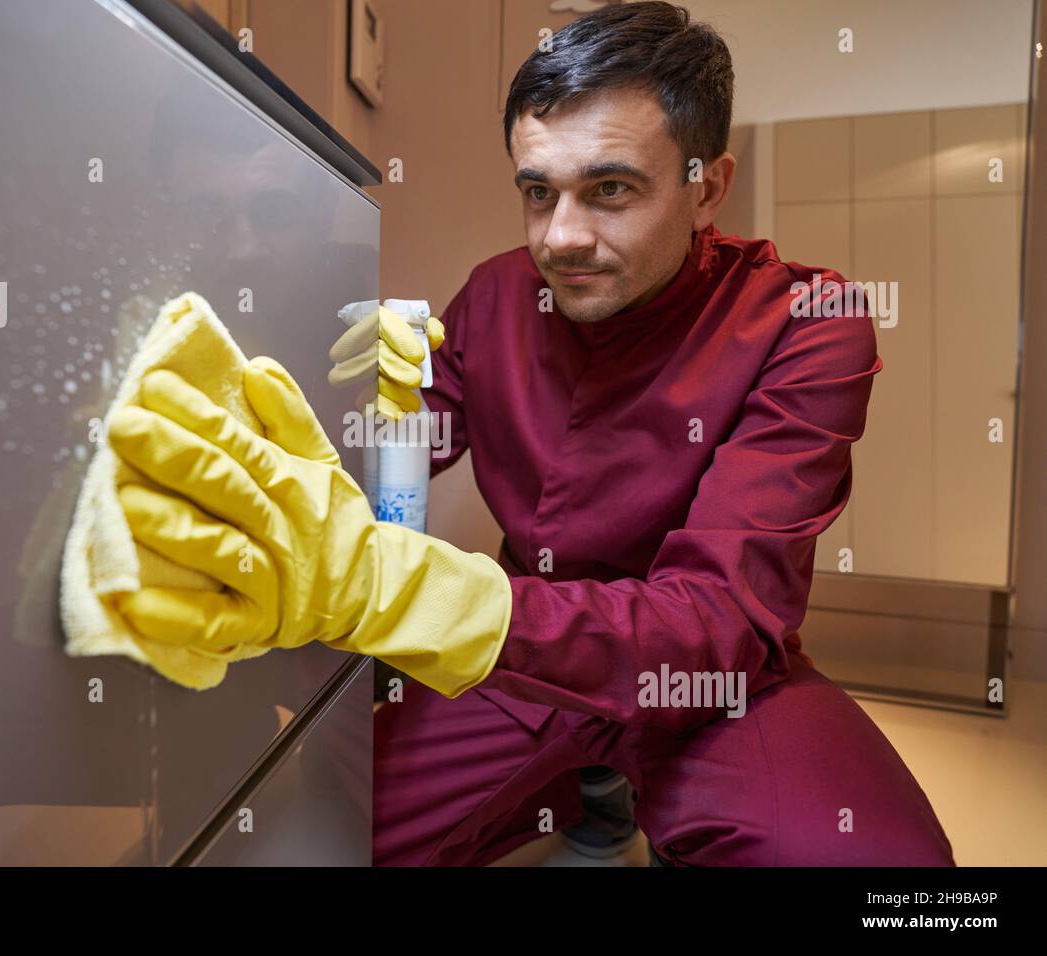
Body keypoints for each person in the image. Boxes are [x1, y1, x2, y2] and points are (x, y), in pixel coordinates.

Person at [104, 1, 955, 866]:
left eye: (610, 189)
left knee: (875, 869)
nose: (561, 238)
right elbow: (392, 465)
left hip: (710, 676)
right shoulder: (497, 294)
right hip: (528, 660)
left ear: (708, 187)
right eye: (538, 192)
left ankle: (605, 784)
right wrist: (370, 415)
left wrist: (419, 596)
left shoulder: (807, 321)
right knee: (350, 828)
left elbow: (720, 619)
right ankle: (589, 796)